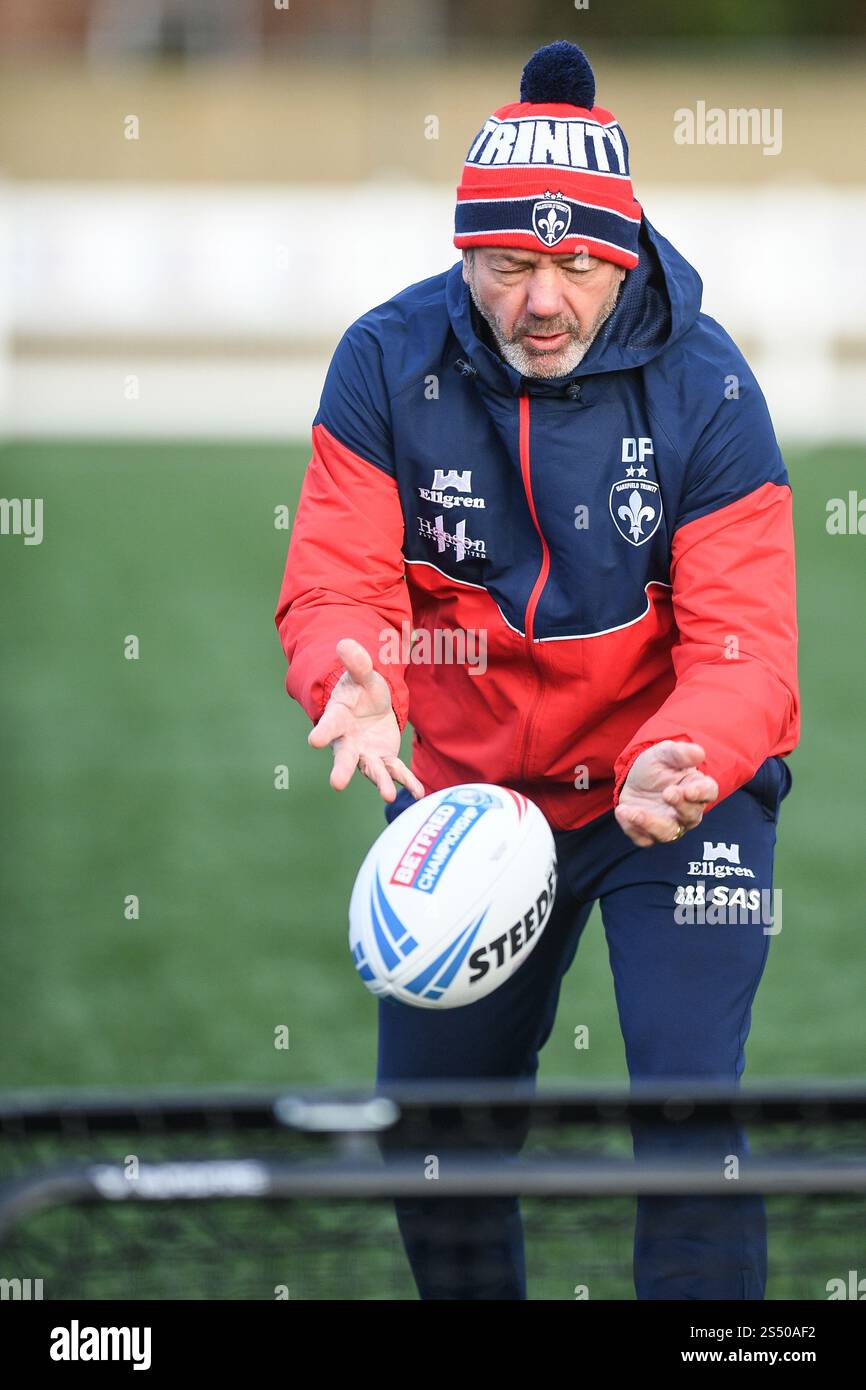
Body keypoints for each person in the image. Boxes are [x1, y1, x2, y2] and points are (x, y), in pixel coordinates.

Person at [274, 40, 799, 1300]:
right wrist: (346, 670)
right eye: (510, 263)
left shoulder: (711, 385)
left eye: (574, 263)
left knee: (686, 1126)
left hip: (666, 787)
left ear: (623, 254)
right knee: (434, 1140)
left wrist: (694, 756)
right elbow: (340, 576)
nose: (543, 299)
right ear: (465, 255)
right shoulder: (383, 360)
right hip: (466, 797)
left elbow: (746, 646)